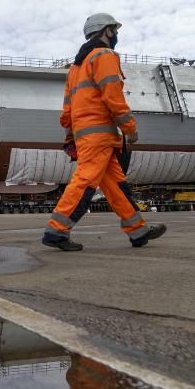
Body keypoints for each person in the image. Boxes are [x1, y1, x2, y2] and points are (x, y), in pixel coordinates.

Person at [43, 13, 166, 251]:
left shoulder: (76, 68)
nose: (116, 35)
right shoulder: (104, 55)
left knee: (116, 185)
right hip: (99, 135)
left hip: (88, 135)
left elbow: (67, 107)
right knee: (86, 180)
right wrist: (129, 127)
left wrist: (70, 136)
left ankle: (138, 231)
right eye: (115, 30)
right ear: (107, 31)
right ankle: (56, 231)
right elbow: (112, 94)